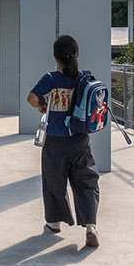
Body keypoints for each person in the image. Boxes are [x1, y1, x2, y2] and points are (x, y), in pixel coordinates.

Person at [27, 34, 101, 248]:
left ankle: (54, 221)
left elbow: (32, 98)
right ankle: (90, 225)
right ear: (77, 54)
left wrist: (42, 107)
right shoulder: (85, 78)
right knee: (86, 181)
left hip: (56, 140)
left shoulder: (51, 79)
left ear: (55, 57)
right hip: (80, 139)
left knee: (54, 182)